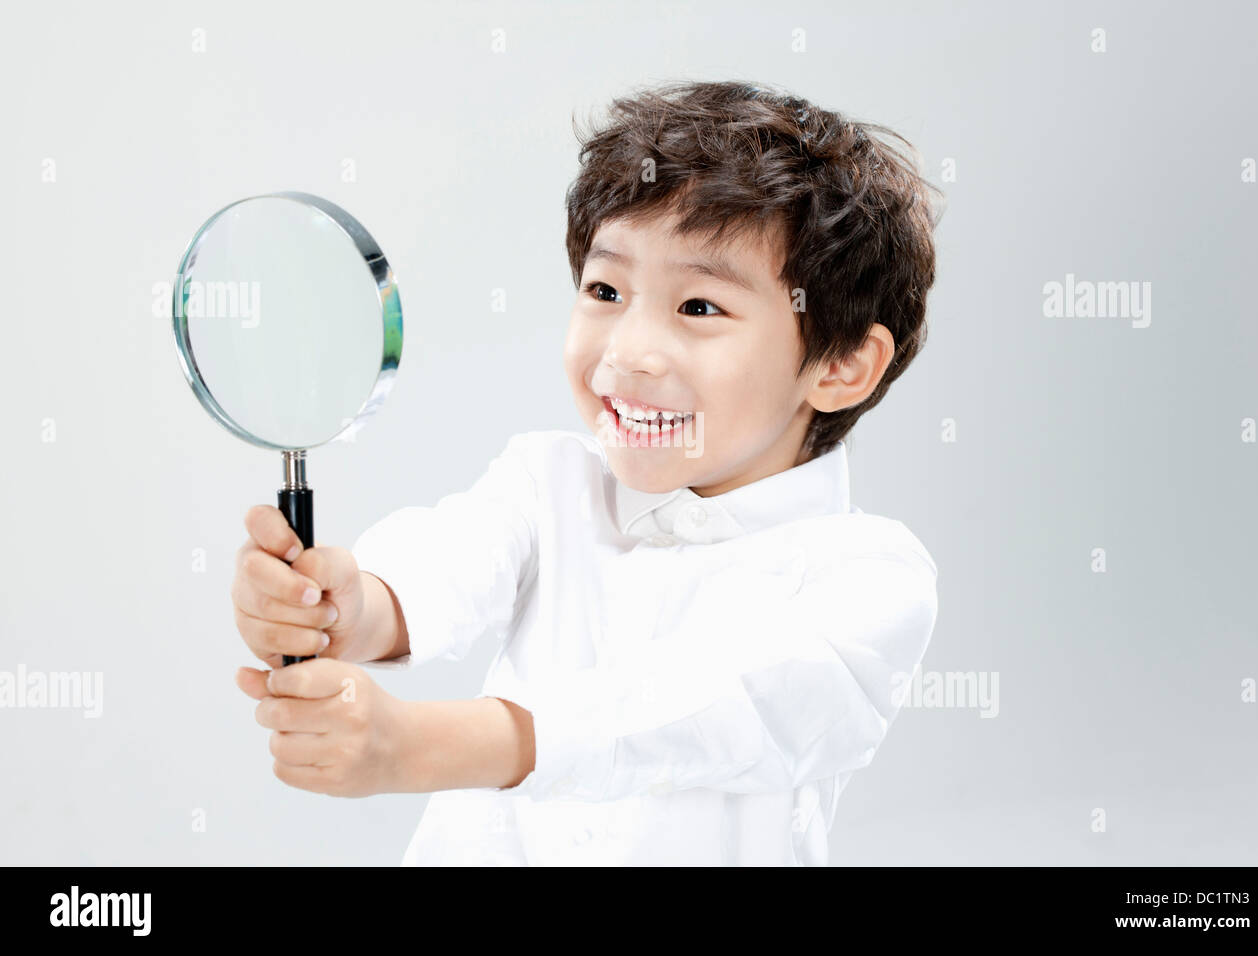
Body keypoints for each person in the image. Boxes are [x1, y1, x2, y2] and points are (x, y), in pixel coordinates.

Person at [229, 78, 943, 865]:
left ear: (842, 365)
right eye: (606, 290)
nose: (627, 352)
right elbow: (442, 567)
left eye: (699, 307)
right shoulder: (547, 484)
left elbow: (702, 710)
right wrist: (339, 604)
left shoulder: (872, 580)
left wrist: (422, 744)